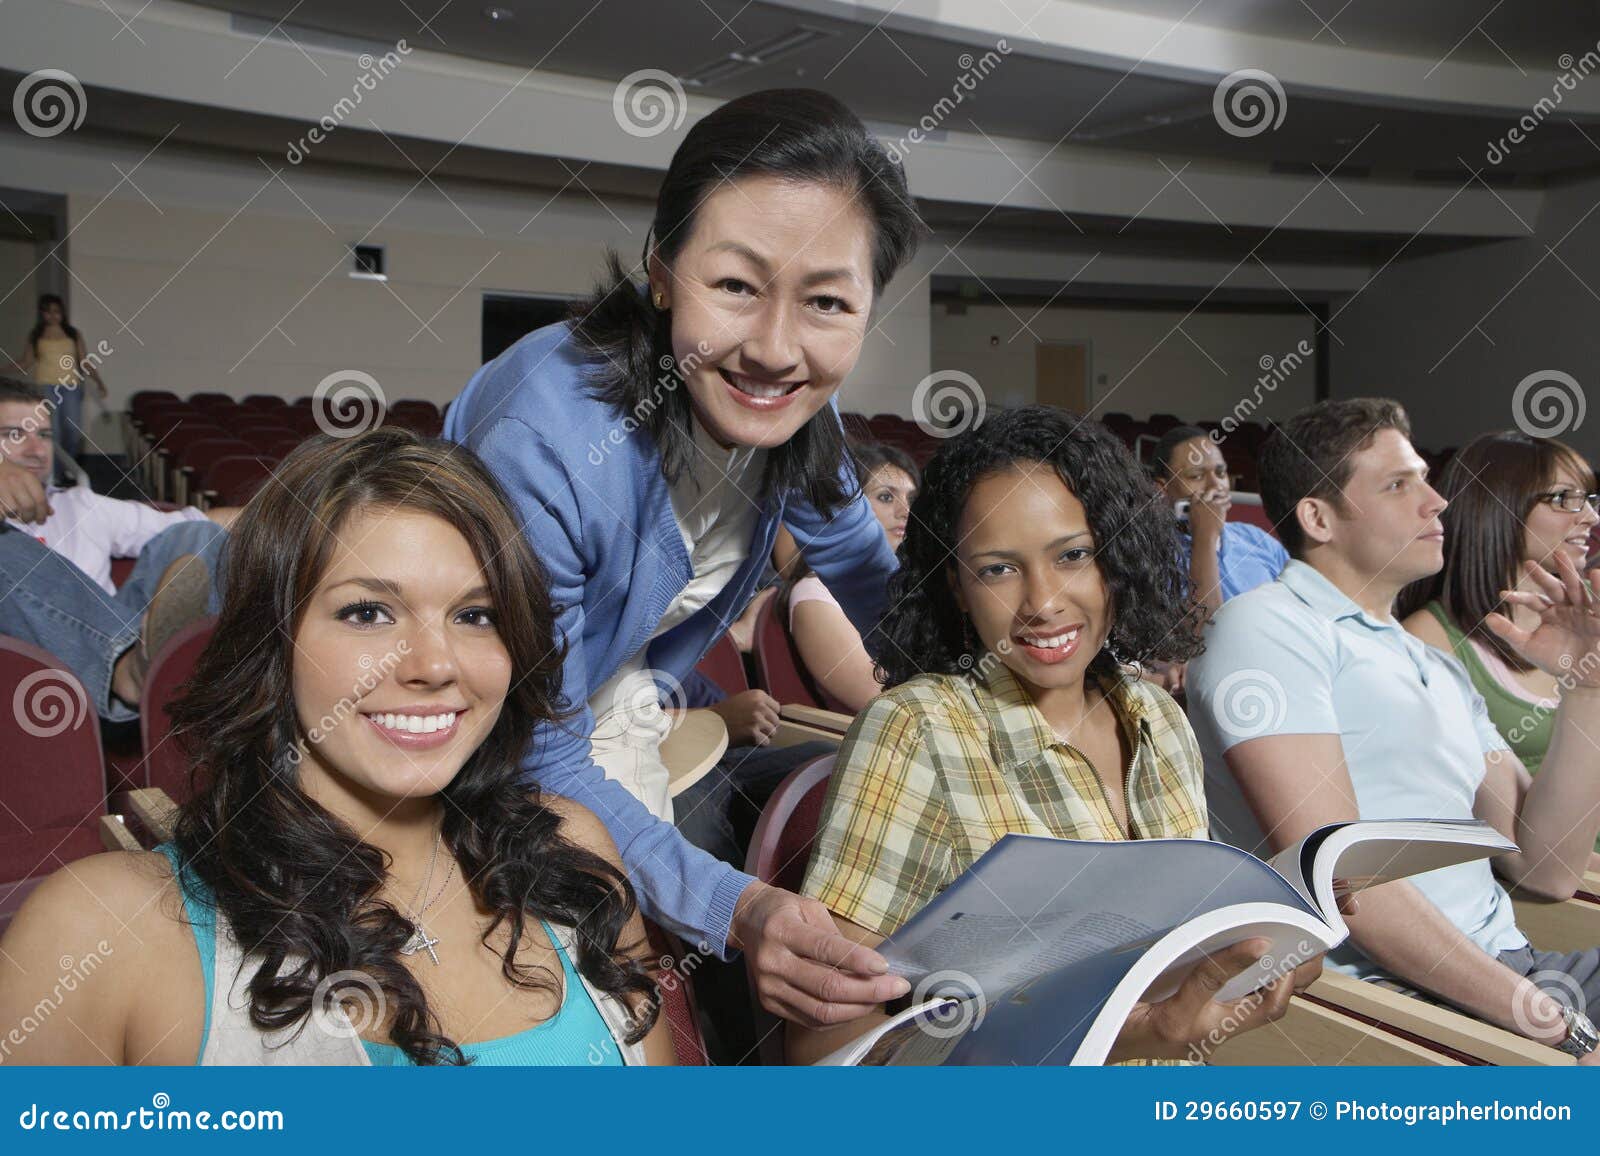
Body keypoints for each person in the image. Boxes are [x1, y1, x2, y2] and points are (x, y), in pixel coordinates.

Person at [443, 88, 920, 1027]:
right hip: (499, 722)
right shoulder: (547, 443)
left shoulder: (797, 407)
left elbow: (868, 575)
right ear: (662, 273)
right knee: (599, 996)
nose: (776, 349)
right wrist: (739, 912)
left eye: (827, 301)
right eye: (736, 286)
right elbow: (535, 752)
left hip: (616, 690)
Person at [0, 429, 676, 1065]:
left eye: (476, 615)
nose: (436, 664)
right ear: (273, 642)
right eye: (369, 612)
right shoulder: (103, 930)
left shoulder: (573, 854)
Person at [788, 406, 1321, 1065]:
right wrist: (1123, 1033)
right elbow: (826, 1048)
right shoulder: (917, 730)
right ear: (955, 586)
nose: (1042, 602)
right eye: (998, 569)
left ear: (1117, 558)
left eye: (1073, 556)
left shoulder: (1158, 718)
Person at [1187, 398, 1600, 1064]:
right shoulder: (1267, 629)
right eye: (1398, 485)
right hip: (1419, 1005)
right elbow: (1343, 878)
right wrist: (1558, 1025)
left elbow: (1546, 869)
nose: (1436, 502)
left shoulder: (1430, 663)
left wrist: (1587, 687)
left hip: (1518, 970)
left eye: (1426, 480)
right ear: (1319, 517)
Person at [1398, 433, 1600, 839]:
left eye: (1590, 500)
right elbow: (1517, 848)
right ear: (1497, 508)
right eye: (1564, 500)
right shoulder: (1429, 639)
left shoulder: (1591, 610)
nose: (1590, 518)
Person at [0, 377, 237, 719]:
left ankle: (167, 673)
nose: (36, 450)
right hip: (32, 680)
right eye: (14, 434)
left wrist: (301, 513)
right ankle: (131, 670)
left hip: (132, 656)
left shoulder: (80, 504)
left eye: (45, 435)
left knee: (199, 535)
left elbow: (198, 522)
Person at [783, 441, 918, 713]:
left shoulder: (908, 581)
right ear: (850, 508)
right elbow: (887, 704)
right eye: (886, 497)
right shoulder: (814, 594)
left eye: (911, 499)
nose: (905, 511)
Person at [1153, 424, 1287, 616]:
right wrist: (1205, 538)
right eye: (1197, 476)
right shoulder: (1154, 556)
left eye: (1221, 473)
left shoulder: (1255, 537)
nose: (1216, 484)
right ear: (1162, 490)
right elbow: (1201, 632)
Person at [12, 293, 107, 460]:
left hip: (71, 385)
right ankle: (54, 476)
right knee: (52, 430)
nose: (53, 315)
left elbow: (84, 361)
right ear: (42, 314)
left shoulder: (72, 334)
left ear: (62, 313)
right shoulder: (36, 335)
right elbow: (25, 363)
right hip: (46, 385)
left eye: (56, 311)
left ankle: (68, 466)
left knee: (72, 429)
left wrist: (99, 382)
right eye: (48, 311)